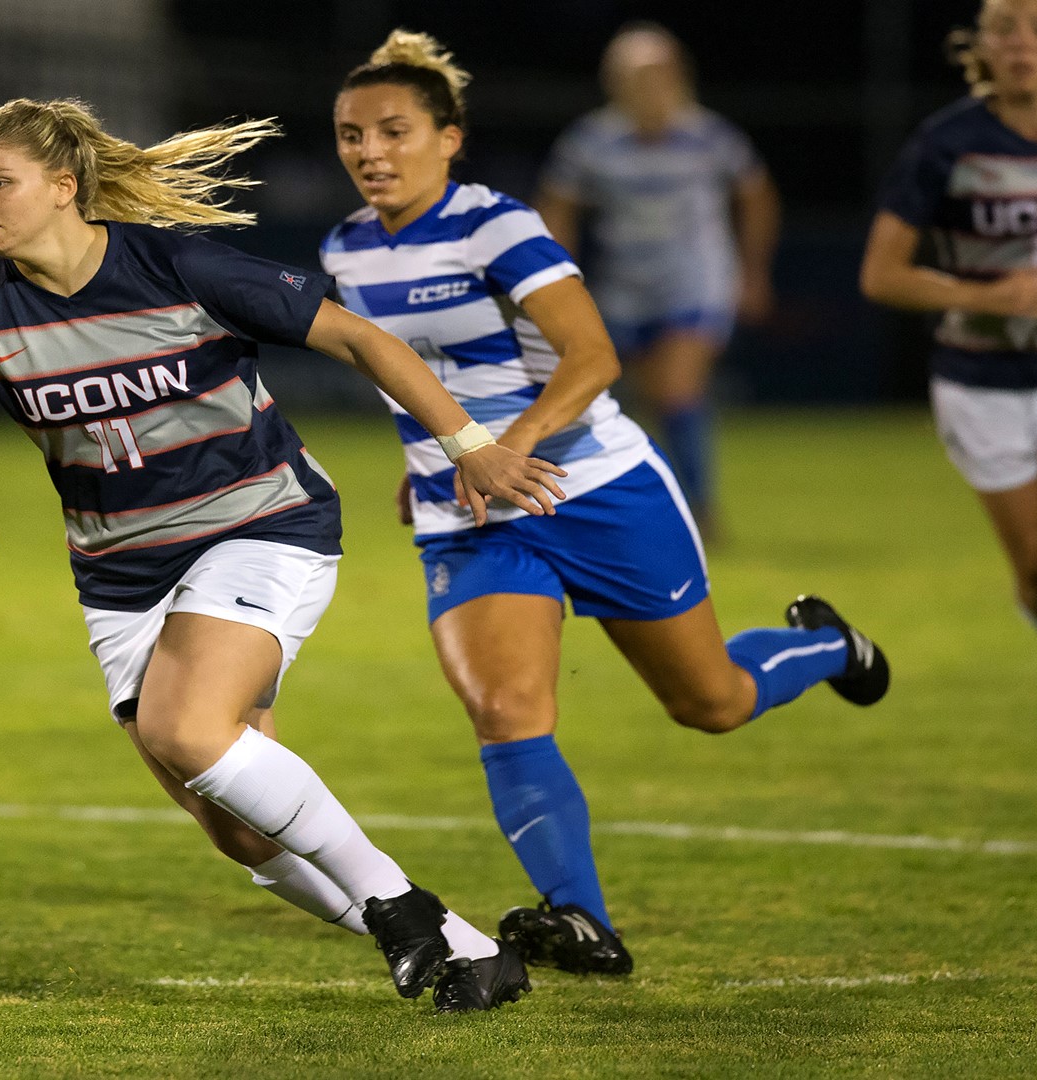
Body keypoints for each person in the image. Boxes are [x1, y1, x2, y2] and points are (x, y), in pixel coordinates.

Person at [0, 96, 569, 1013]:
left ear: (64, 187)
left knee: (186, 728)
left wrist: (474, 447)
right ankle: (463, 948)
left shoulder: (174, 264)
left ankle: (394, 902)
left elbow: (359, 336)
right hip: (119, 576)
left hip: (259, 525)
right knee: (238, 833)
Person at [322, 30, 889, 976]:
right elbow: (409, 373)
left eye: (393, 131)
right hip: (464, 512)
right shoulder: (346, 247)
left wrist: (510, 446)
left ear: (449, 137)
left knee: (709, 702)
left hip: (595, 489)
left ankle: (827, 642)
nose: (370, 152)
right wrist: (426, 456)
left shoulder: (496, 226)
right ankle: (581, 919)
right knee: (507, 711)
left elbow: (593, 357)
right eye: (349, 135)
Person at [860, 0, 1037, 818]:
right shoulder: (947, 144)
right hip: (982, 380)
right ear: (981, 45)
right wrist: (991, 294)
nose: (1020, 43)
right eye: (1004, 26)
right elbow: (882, 276)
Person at [534, 22, 780, 542]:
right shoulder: (592, 141)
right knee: (639, 401)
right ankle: (664, 505)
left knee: (677, 389)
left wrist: (753, 271)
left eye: (657, 73)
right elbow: (556, 206)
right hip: (625, 286)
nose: (647, 85)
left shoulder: (710, 136)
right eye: (633, 75)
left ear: (678, 76)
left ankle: (698, 514)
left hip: (697, 283)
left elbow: (757, 196)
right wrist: (553, 279)